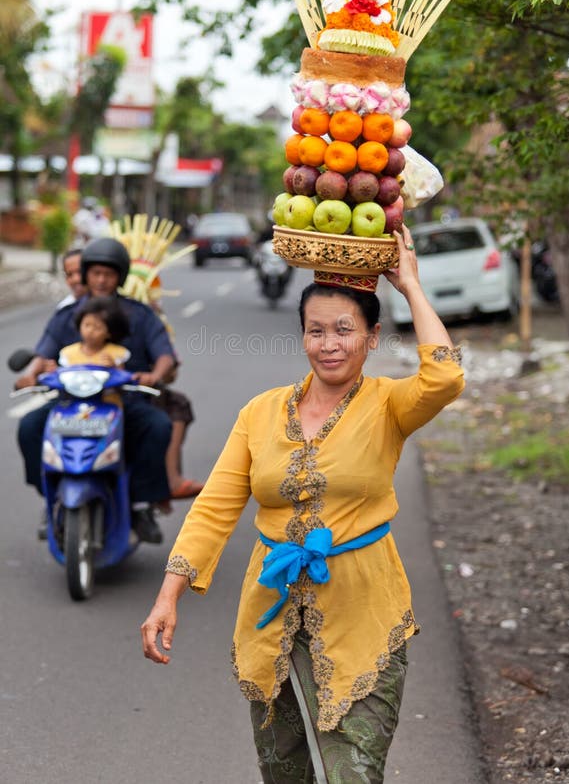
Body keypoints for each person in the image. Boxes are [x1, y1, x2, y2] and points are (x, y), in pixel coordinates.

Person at [140, 225, 465, 783]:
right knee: (284, 773)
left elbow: (445, 377)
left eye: (345, 330)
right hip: (272, 611)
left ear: (371, 336)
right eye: (316, 330)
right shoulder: (259, 412)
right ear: (302, 337)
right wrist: (169, 595)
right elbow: (216, 507)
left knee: (354, 773)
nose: (329, 343)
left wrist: (410, 283)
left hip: (364, 607)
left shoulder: (388, 404)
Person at [15, 237, 176, 544]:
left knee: (158, 426)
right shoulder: (66, 315)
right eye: (95, 273)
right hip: (70, 404)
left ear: (120, 277)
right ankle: (50, 495)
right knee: (29, 427)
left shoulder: (141, 315)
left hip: (123, 403)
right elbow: (42, 355)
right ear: (85, 274)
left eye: (109, 274)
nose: (101, 280)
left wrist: (154, 374)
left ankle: (141, 505)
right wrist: (30, 375)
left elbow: (164, 355)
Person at [58, 296, 131, 369]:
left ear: (109, 333)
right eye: (87, 325)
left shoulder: (117, 353)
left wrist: (113, 367)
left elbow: (122, 377)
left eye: (97, 327)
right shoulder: (68, 353)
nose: (90, 331)